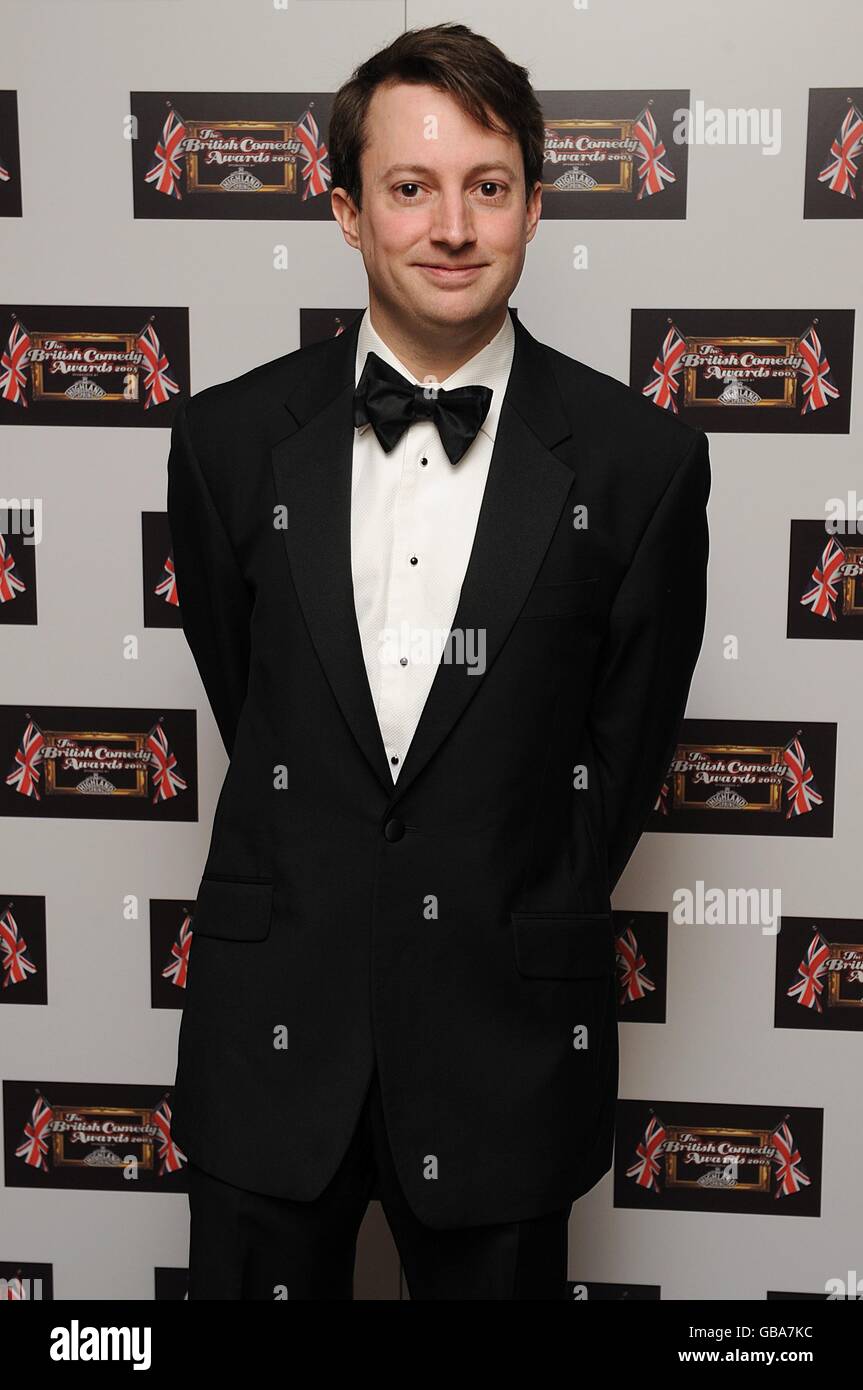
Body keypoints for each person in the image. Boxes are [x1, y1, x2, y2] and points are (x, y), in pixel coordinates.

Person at [166, 22, 710, 1300]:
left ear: (533, 202)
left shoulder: (641, 466)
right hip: (271, 1037)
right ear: (348, 211)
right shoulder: (226, 442)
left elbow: (613, 772)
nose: (452, 225)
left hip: (503, 1048)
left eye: (488, 185)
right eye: (410, 187)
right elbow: (258, 705)